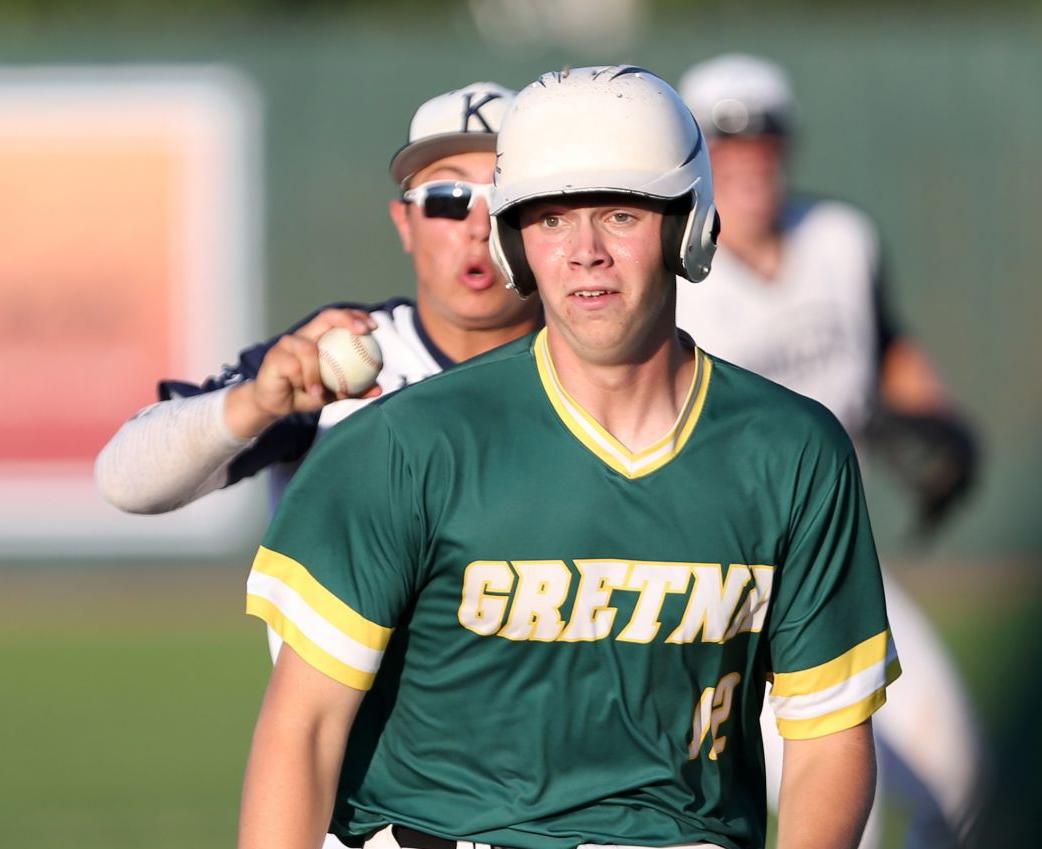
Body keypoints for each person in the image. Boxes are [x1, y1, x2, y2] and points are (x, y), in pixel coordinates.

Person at [239, 65, 900, 849]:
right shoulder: (402, 444)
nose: (584, 250)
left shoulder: (790, 450)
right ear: (515, 240)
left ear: (688, 226)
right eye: (551, 219)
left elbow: (827, 738)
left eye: (620, 213)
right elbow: (304, 730)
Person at [95, 80, 541, 849]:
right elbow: (125, 478)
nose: (474, 226)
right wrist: (256, 403)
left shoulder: (599, 380)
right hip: (368, 817)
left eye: (506, 198)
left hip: (563, 806)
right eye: (444, 198)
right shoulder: (334, 363)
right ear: (404, 221)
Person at [675, 54, 983, 849]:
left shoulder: (839, 240)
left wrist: (935, 420)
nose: (747, 158)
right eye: (725, 140)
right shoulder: (669, 271)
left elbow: (887, 354)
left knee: (957, 769)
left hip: (835, 556)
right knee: (848, 801)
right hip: (721, 579)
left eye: (764, 138)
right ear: (695, 157)